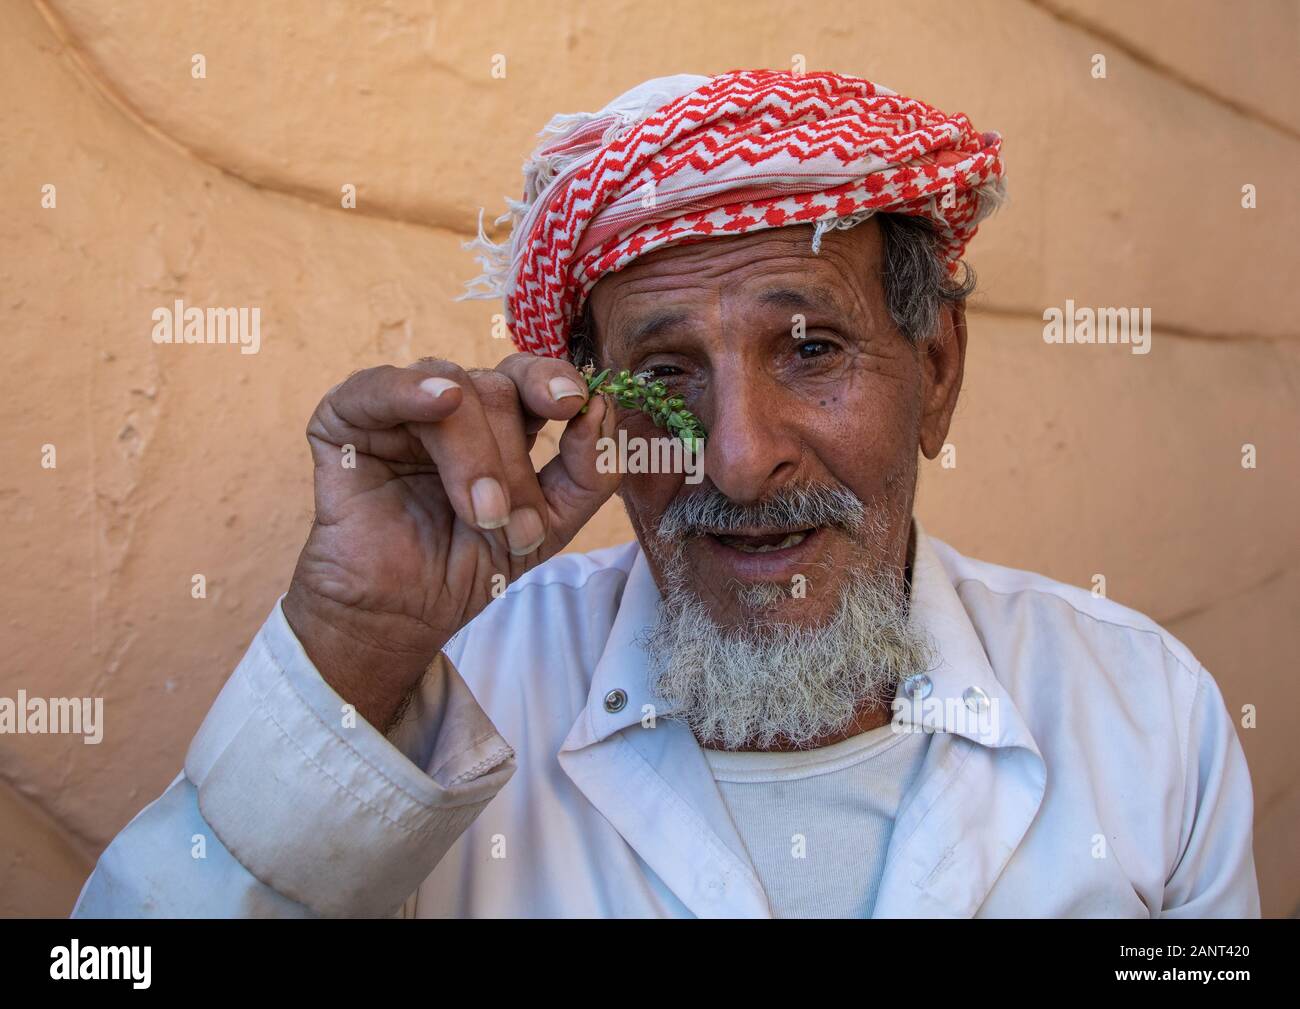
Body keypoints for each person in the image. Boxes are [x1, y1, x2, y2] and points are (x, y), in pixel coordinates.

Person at [74, 70, 1258, 918]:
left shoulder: (1144, 715)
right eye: (661, 374)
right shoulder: (452, 693)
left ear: (935, 373)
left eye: (810, 351)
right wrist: (349, 649)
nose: (739, 461)